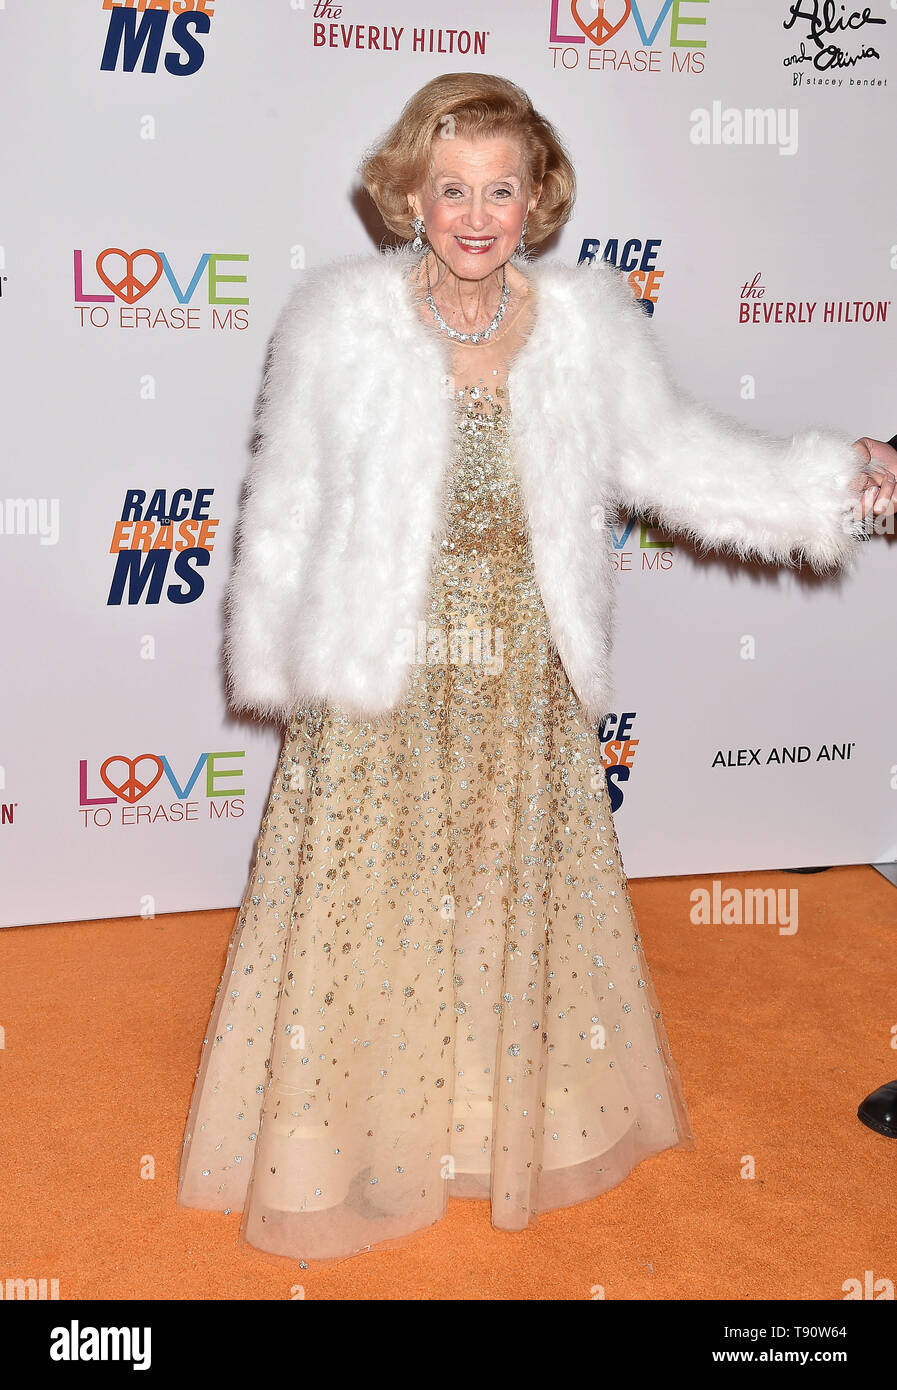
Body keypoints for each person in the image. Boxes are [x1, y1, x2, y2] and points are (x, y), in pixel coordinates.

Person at [176, 73, 897, 1265]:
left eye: (500, 190)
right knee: (377, 904)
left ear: (537, 198)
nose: (475, 213)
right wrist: (284, 662)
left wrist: (840, 476)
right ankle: (352, 1133)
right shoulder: (339, 323)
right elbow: (288, 505)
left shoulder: (580, 327)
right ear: (409, 193)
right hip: (384, 668)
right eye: (451, 188)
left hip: (518, 664)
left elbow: (681, 459)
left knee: (504, 888)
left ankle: (480, 1116)